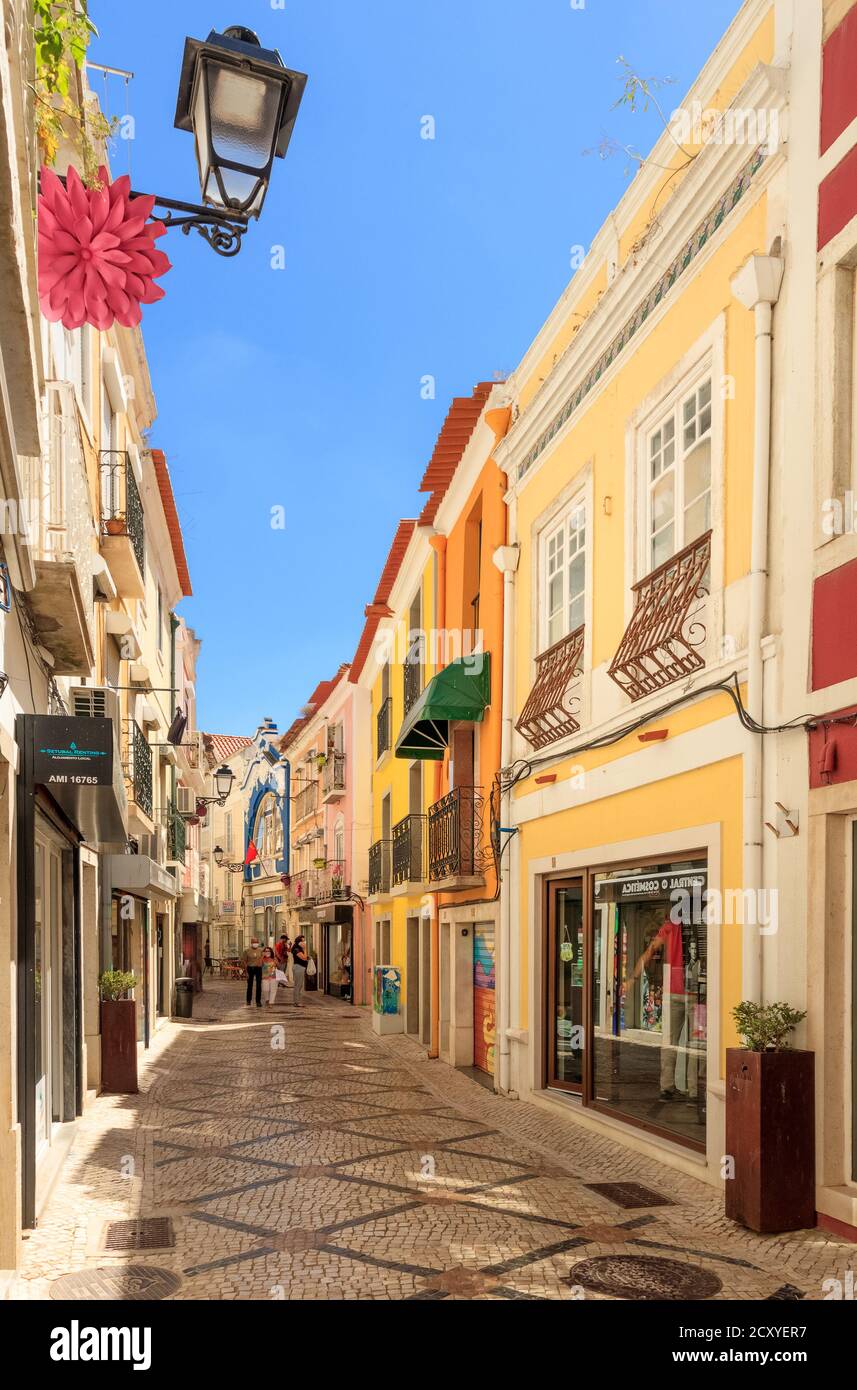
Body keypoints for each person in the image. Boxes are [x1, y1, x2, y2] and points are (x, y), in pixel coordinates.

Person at [242, 938, 264, 1008]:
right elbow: (244, 962)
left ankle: (258, 1001)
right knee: (250, 985)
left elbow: (263, 959)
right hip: (250, 968)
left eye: (257, 942)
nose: (256, 943)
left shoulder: (260, 950)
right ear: (251, 943)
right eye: (254, 942)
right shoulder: (247, 951)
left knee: (258, 985)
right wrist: (246, 972)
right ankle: (248, 1000)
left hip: (258, 969)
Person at [291, 934, 309, 1008]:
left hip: (300, 967)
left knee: (298, 985)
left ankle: (296, 1001)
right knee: (298, 985)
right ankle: (297, 1002)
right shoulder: (297, 949)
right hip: (299, 968)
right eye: (303, 941)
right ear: (299, 942)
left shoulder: (298, 949)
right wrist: (305, 949)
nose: (304, 942)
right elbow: (304, 958)